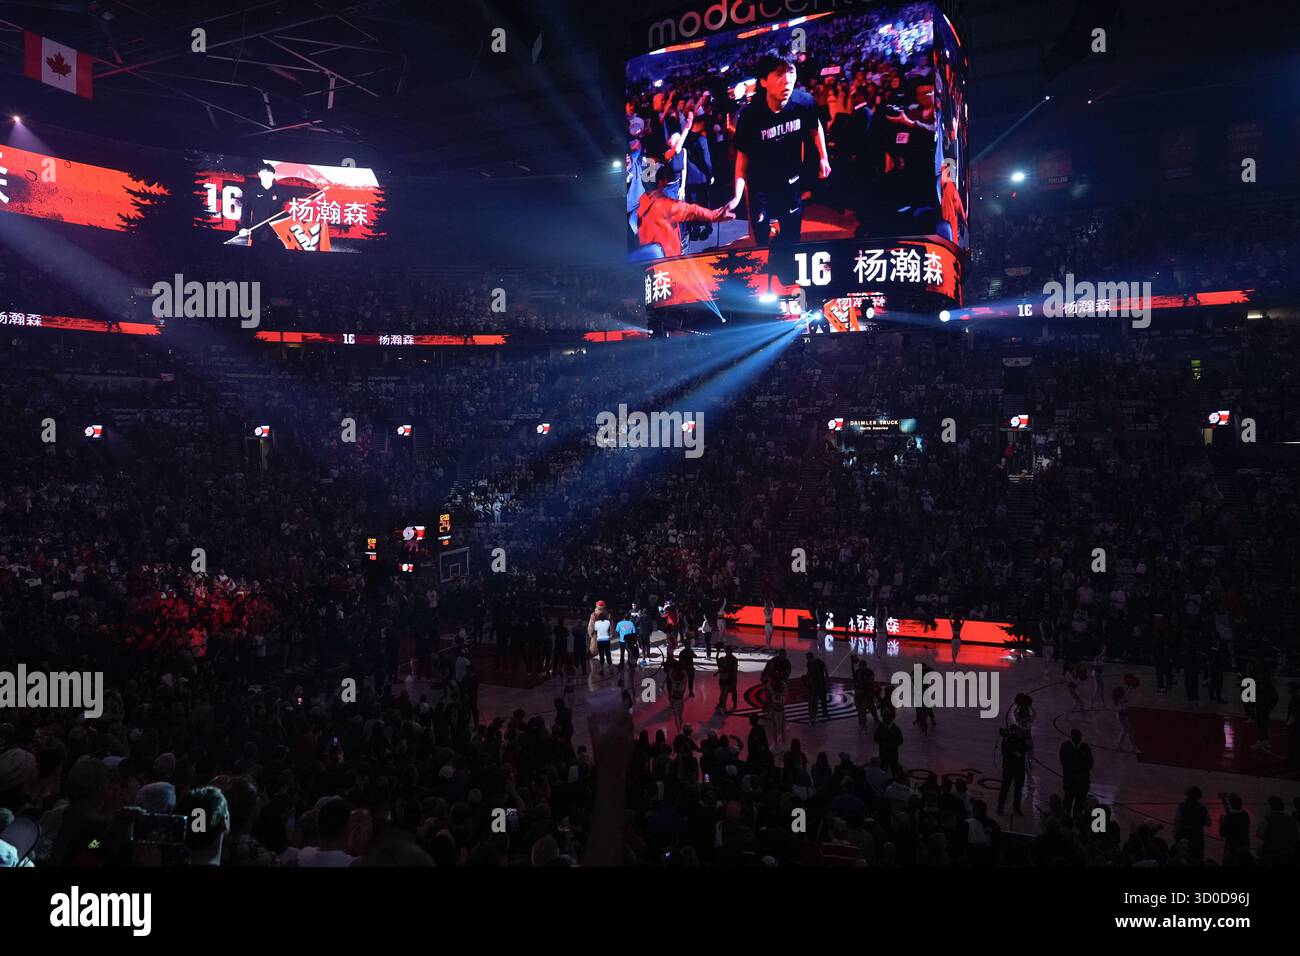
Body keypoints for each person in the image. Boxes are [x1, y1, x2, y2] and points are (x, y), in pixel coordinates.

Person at [727, 53, 830, 260]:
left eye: (791, 72)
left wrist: (823, 157)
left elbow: (814, 126)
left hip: (791, 180)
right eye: (779, 74)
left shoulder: (804, 101)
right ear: (764, 81)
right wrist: (737, 195)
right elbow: (742, 158)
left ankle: (786, 263)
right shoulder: (750, 116)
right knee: (762, 240)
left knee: (792, 233)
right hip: (760, 187)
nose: (787, 80)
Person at [636, 165, 736, 259]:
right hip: (668, 258)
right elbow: (693, 211)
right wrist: (715, 215)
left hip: (646, 256)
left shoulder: (642, 199)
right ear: (662, 181)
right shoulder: (668, 205)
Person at [1058, 728, 1093, 818]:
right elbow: (1064, 763)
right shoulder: (1065, 747)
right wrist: (1074, 773)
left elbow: (1090, 763)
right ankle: (1066, 820)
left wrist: (1081, 773)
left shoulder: (1086, 747)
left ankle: (1077, 822)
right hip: (1070, 781)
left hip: (1083, 782)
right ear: (1072, 737)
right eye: (1076, 736)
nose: (1078, 738)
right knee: (1067, 802)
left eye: (1079, 736)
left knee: (1079, 804)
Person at [997, 725, 1028, 818]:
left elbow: (1027, 748)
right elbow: (1006, 752)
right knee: (1005, 788)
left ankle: (1016, 807)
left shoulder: (1019, 740)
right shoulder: (1007, 741)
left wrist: (1019, 739)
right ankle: (1000, 807)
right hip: (1009, 768)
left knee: (1018, 789)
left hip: (1019, 769)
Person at [1173, 786, 1210, 863]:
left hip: (1184, 838)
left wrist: (1176, 836)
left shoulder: (1182, 806)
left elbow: (1177, 823)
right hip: (1197, 839)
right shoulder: (1202, 807)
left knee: (1183, 860)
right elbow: (1208, 823)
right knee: (1197, 860)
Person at [1217, 792, 1251, 865]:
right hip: (1244, 846)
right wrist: (1224, 801)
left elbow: (1222, 833)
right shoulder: (1245, 815)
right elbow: (1232, 813)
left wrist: (1221, 823)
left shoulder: (1228, 818)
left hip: (1232, 848)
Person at [806, 651, 829, 723]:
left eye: (808, 658)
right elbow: (809, 673)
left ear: (811, 657)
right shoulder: (809, 664)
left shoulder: (819, 662)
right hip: (814, 684)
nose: (807, 660)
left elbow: (825, 668)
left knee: (822, 699)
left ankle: (824, 713)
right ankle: (812, 715)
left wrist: (826, 677)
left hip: (820, 683)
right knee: (813, 701)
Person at [666, 659, 688, 735]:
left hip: (678, 697)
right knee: (678, 716)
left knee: (679, 716)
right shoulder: (678, 676)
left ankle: (679, 729)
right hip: (676, 698)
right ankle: (679, 730)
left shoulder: (677, 676)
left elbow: (670, 674)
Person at [717, 646, 739, 713]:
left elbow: (735, 670)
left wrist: (735, 679)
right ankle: (722, 704)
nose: (725, 652)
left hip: (731, 677)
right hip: (726, 677)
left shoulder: (734, 659)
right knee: (724, 692)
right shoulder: (725, 658)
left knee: (733, 691)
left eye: (726, 651)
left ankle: (734, 703)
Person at [593, 611, 614, 675]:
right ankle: (610, 669)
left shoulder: (596, 623)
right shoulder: (608, 622)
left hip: (600, 640)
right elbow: (609, 630)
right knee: (608, 654)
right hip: (607, 639)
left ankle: (602, 669)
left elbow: (595, 630)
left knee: (601, 655)